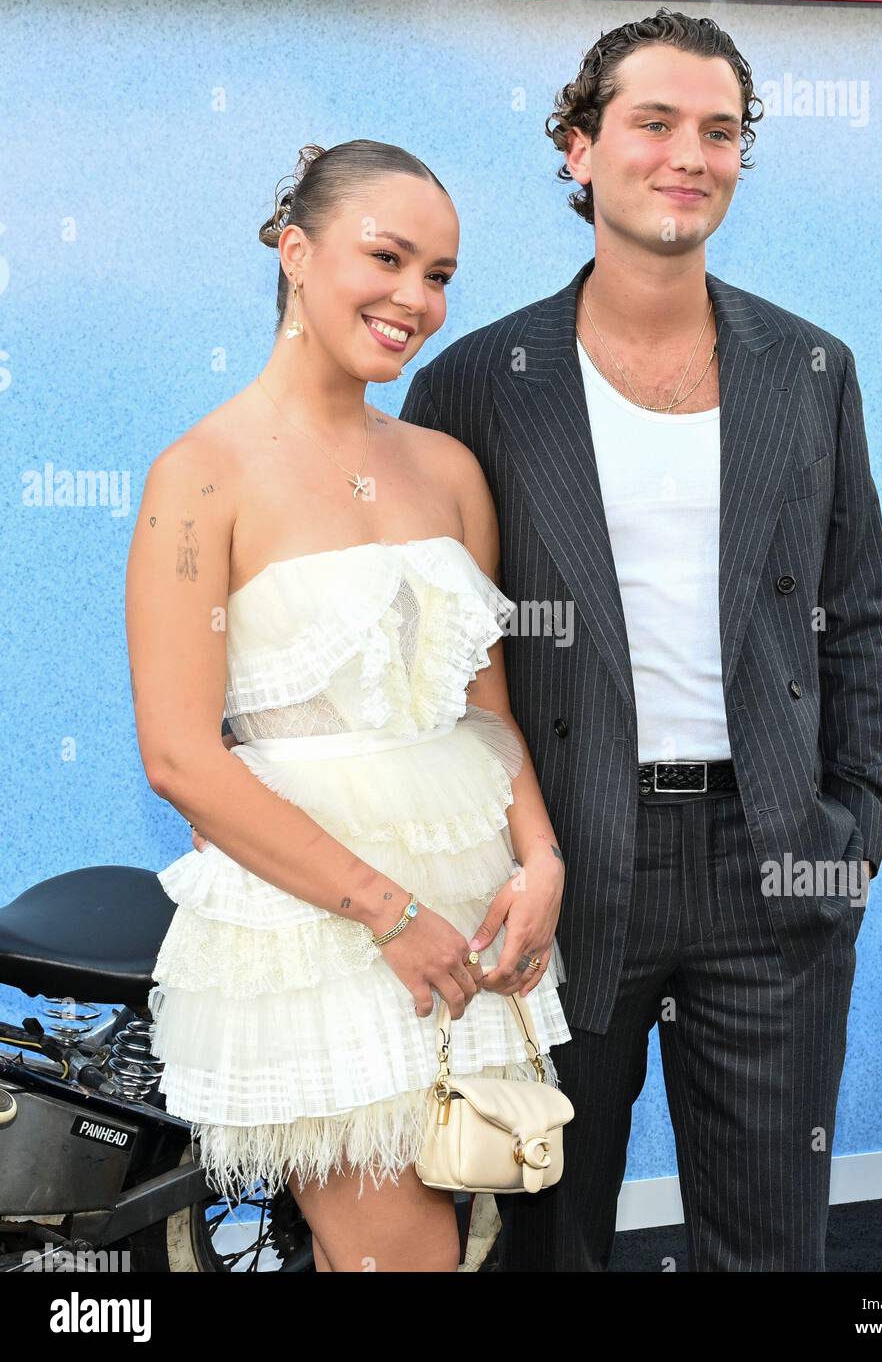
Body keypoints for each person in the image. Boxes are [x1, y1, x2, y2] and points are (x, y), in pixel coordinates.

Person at [398, 10, 882, 1271]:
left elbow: (859, 620)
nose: (690, 154)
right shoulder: (474, 382)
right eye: (653, 124)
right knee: (546, 1239)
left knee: (770, 1245)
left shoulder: (810, 369)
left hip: (771, 862)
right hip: (558, 865)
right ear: (577, 148)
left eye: (719, 131)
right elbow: (433, 660)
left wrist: (848, 833)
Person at [125, 140, 572, 1274]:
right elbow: (180, 758)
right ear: (295, 250)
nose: (414, 300)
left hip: (469, 913)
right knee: (399, 1257)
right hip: (319, 929)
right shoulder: (202, 474)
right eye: (387, 257)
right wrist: (384, 911)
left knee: (441, 1244)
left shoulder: (447, 466)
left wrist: (541, 853)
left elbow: (487, 712)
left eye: (439, 275)